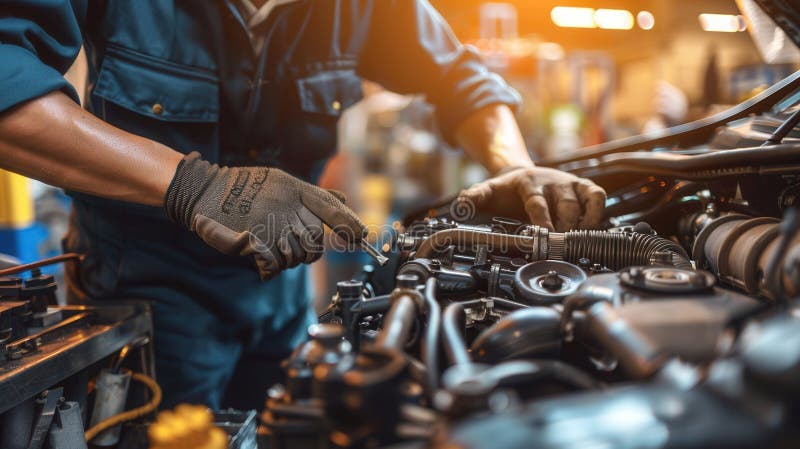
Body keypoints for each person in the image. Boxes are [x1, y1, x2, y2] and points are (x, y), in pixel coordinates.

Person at [0, 0, 605, 410]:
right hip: (146, 288)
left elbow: (460, 77)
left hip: (283, 287)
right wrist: (195, 186)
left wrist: (515, 165)